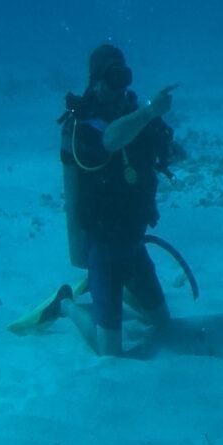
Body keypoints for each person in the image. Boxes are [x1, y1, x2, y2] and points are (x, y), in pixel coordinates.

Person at [56, 45, 176, 357]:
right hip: (104, 246)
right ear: (95, 81)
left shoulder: (133, 111)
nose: (120, 85)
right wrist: (151, 110)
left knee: (162, 323)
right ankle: (66, 304)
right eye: (112, 78)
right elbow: (111, 139)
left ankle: (115, 293)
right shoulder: (82, 124)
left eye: (124, 75)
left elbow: (162, 149)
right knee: (109, 350)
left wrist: (168, 145)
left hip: (134, 242)